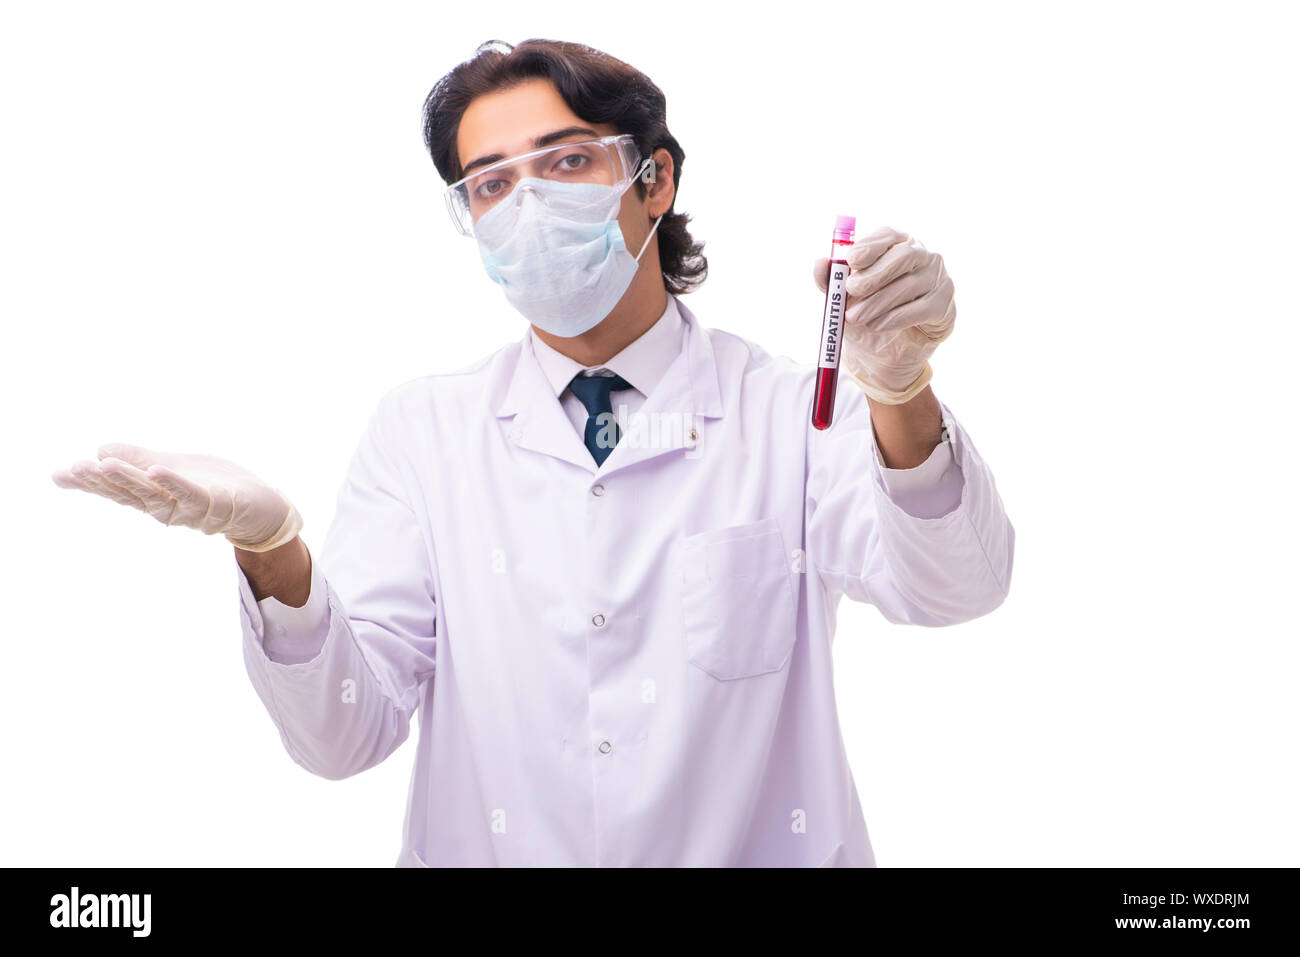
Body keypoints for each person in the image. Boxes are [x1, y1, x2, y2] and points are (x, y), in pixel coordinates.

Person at [52, 38, 1015, 867]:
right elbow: (345, 734)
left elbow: (953, 589)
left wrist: (900, 391)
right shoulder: (423, 433)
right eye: (492, 183)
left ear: (656, 180)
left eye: (564, 164)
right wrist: (276, 554)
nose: (526, 206)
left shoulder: (787, 410)